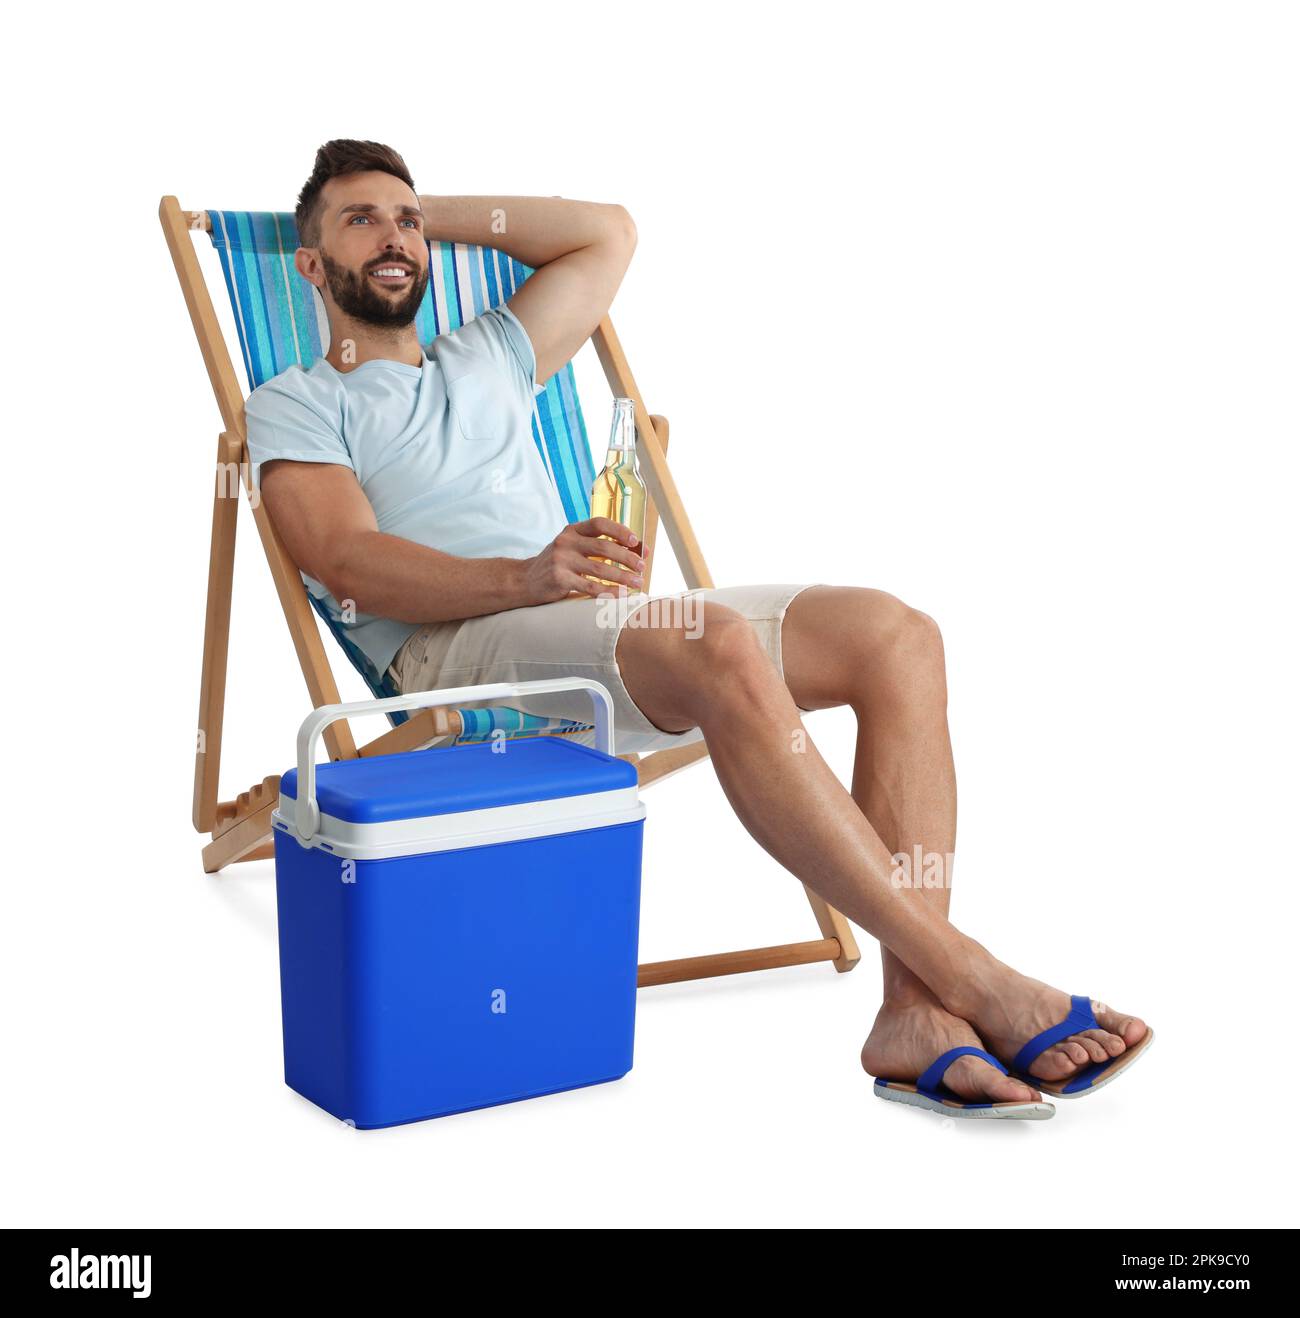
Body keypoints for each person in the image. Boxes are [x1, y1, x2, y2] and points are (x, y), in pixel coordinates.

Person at [245, 139, 1150, 1116]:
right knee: (715, 645)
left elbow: (607, 232)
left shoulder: (491, 353)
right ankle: (967, 971)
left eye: (407, 221)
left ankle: (915, 1015)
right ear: (307, 262)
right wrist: (522, 574)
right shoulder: (300, 400)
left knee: (898, 635)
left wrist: (410, 215)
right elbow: (344, 560)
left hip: (596, 623)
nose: (395, 237)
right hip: (460, 656)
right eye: (358, 221)